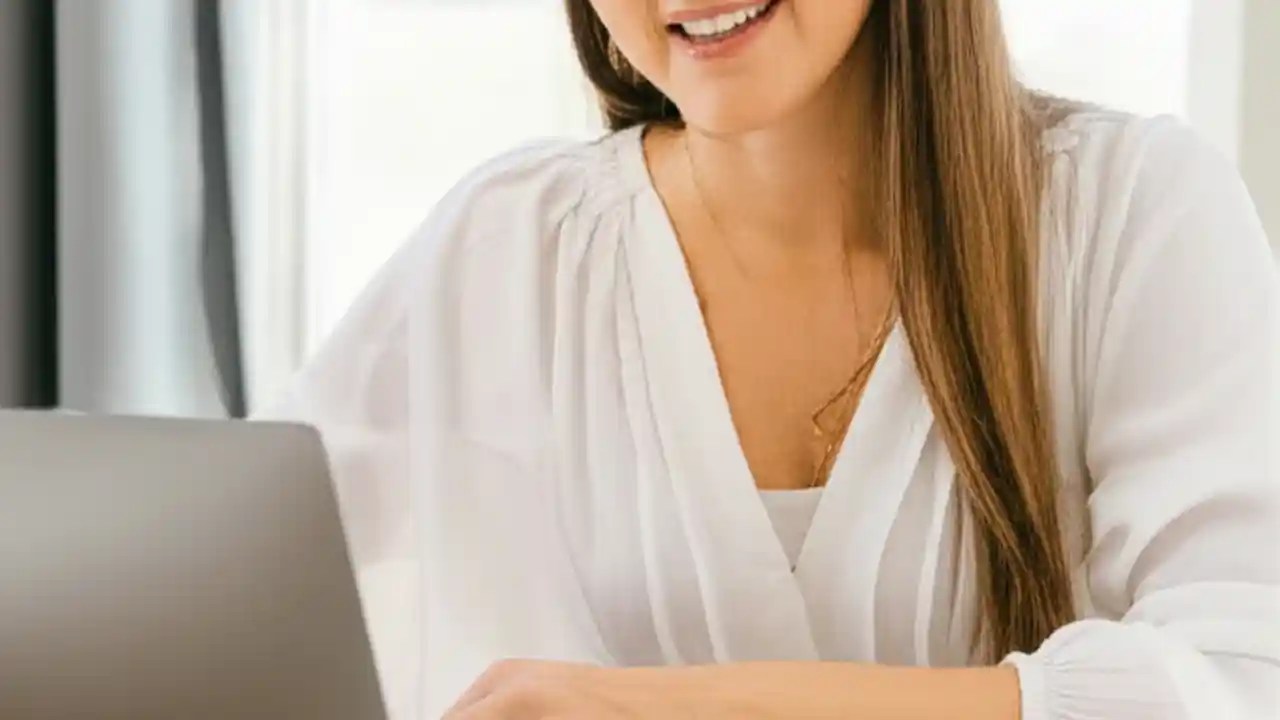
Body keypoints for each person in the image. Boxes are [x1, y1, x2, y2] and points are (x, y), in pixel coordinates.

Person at [265, 1, 1280, 717]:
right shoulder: (511, 240)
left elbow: (1232, 683)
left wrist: (655, 710)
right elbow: (230, 567)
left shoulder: (1132, 212)